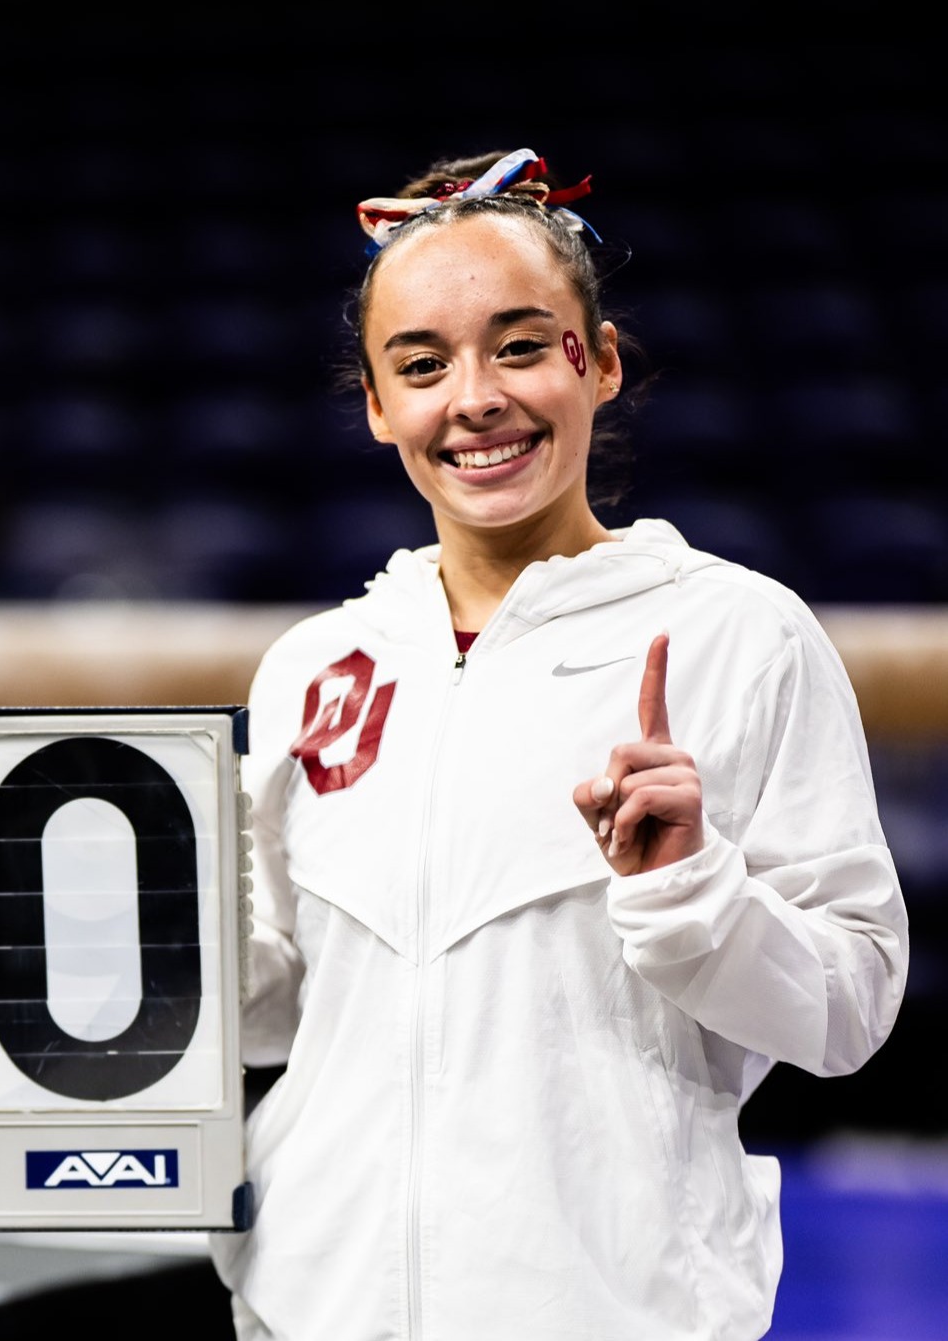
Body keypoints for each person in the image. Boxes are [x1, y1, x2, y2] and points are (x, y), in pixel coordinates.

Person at [211, 149, 908, 1340]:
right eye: (421, 365)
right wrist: (176, 911)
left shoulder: (739, 635)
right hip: (308, 1307)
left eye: (521, 346)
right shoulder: (318, 667)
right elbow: (278, 1016)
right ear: (379, 407)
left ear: (602, 362)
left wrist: (693, 891)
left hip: (607, 1312)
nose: (474, 398)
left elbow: (848, 1012)